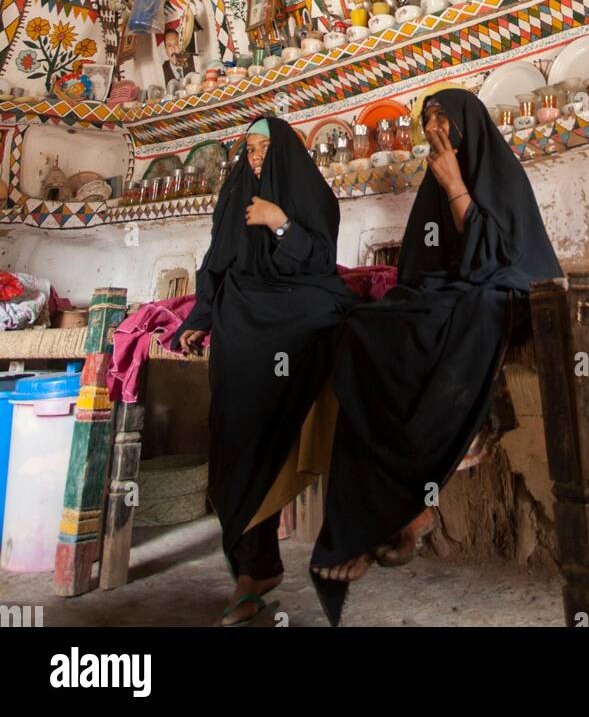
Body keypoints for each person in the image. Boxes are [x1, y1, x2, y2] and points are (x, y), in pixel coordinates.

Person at [309, 88, 563, 625]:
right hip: (449, 293)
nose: (434, 128)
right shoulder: (430, 187)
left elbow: (502, 260)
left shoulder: (500, 175)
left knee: (472, 318)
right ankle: (374, 516)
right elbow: (421, 272)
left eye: (442, 117)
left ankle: (412, 503)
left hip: (501, 289)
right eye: (426, 120)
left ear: (468, 123)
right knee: (364, 329)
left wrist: (455, 186)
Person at [171, 116, 358, 626]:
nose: (255, 159)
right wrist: (200, 316)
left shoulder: (310, 194)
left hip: (296, 307)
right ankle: (254, 569)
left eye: (264, 150)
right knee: (235, 435)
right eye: (249, 150)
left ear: (285, 155)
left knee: (332, 332)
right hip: (241, 321)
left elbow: (320, 263)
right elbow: (214, 265)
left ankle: (353, 535)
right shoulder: (234, 196)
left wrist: (281, 223)